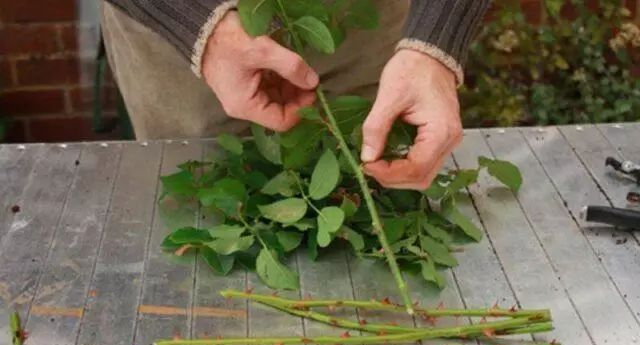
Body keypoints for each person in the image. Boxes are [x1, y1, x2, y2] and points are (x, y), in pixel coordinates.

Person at [99, 0, 490, 190]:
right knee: (204, 202)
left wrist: (435, 44)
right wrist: (198, 28)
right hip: (182, 26)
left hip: (359, 19)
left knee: (373, 182)